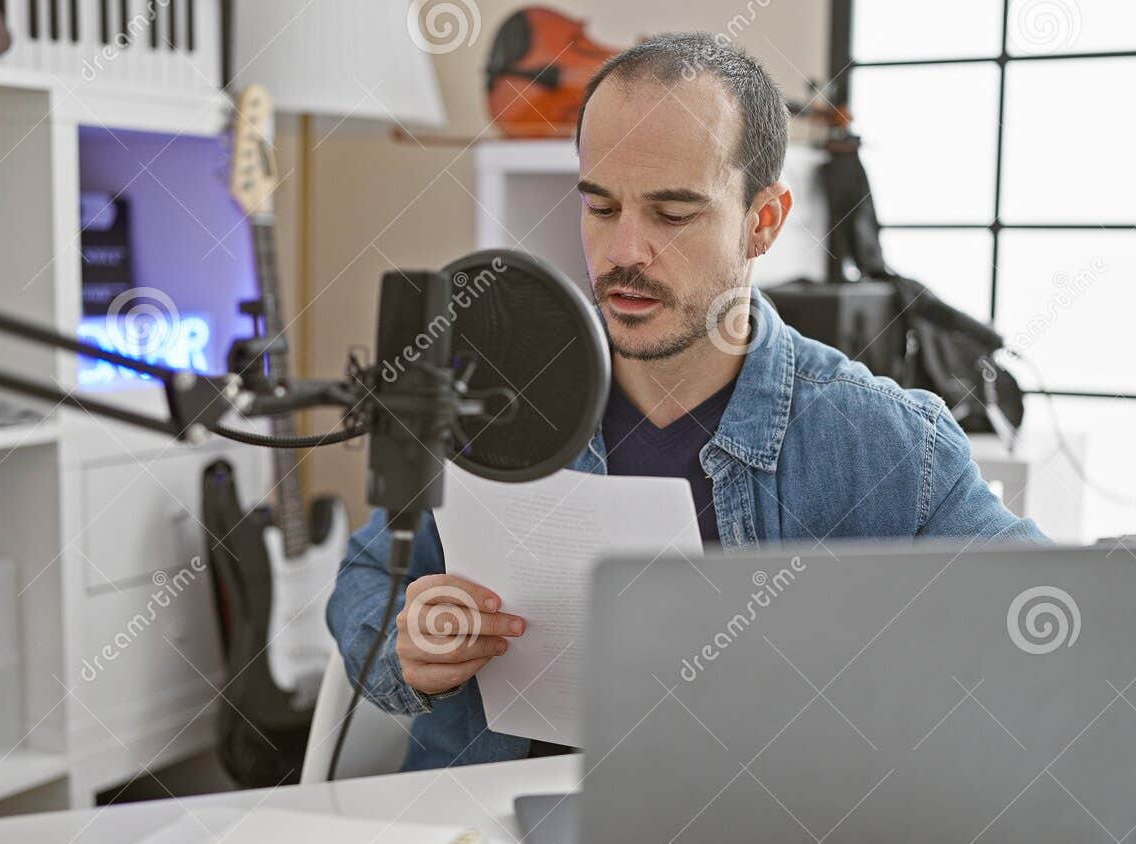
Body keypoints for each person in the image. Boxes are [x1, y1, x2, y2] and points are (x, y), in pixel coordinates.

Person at [328, 33, 1044, 771]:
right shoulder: (486, 394)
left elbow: (1045, 626)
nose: (623, 252)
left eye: (672, 214)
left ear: (763, 221)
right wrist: (411, 646)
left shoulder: (887, 443)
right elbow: (367, 579)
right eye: (601, 206)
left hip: (761, 829)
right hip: (495, 820)